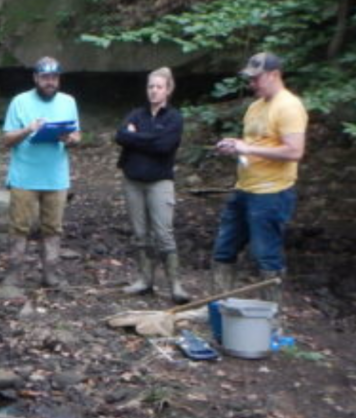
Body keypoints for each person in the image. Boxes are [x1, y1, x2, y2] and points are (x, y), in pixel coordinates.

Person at [212, 52, 307, 305]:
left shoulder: (289, 106)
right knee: (224, 249)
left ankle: (271, 316)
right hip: (244, 188)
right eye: (250, 79)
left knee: (266, 255)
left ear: (274, 75)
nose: (252, 84)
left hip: (272, 193)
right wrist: (234, 145)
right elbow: (254, 143)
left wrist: (249, 149)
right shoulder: (256, 106)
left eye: (257, 78)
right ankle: (218, 307)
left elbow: (295, 151)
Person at [2, 56, 81, 287]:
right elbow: (7, 139)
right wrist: (28, 129)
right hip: (24, 176)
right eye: (45, 77)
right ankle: (15, 272)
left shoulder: (68, 101)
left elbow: (77, 135)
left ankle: (51, 273)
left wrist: (70, 139)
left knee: (53, 227)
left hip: (56, 176)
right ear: (36, 78)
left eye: (54, 77)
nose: (50, 82)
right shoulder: (19, 101)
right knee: (19, 226)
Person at [114, 67, 190, 303]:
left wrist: (136, 138)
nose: (154, 91)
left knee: (163, 233)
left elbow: (164, 146)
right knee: (140, 233)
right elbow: (120, 136)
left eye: (159, 87)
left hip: (159, 181)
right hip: (133, 180)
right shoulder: (137, 114)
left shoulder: (174, 118)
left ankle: (175, 285)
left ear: (168, 90)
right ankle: (145, 280)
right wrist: (147, 138)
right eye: (150, 87)